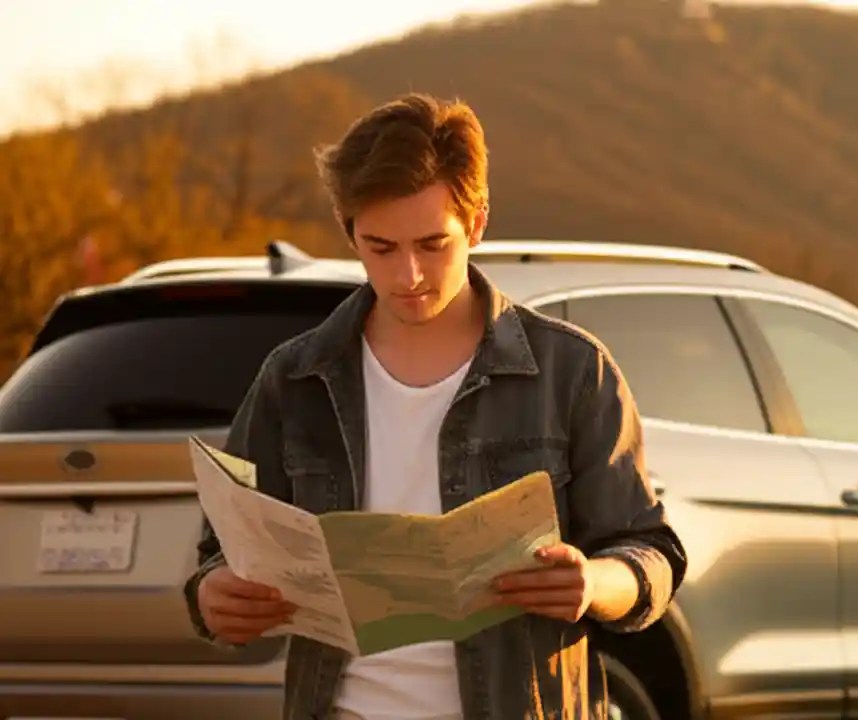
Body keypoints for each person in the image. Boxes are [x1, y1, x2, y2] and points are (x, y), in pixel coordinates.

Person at [183, 92, 687, 720]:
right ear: (350, 231)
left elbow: (650, 554)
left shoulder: (572, 370)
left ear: (476, 223)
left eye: (433, 243)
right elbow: (218, 554)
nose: (409, 275)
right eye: (381, 247)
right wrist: (214, 595)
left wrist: (593, 585)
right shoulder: (293, 378)